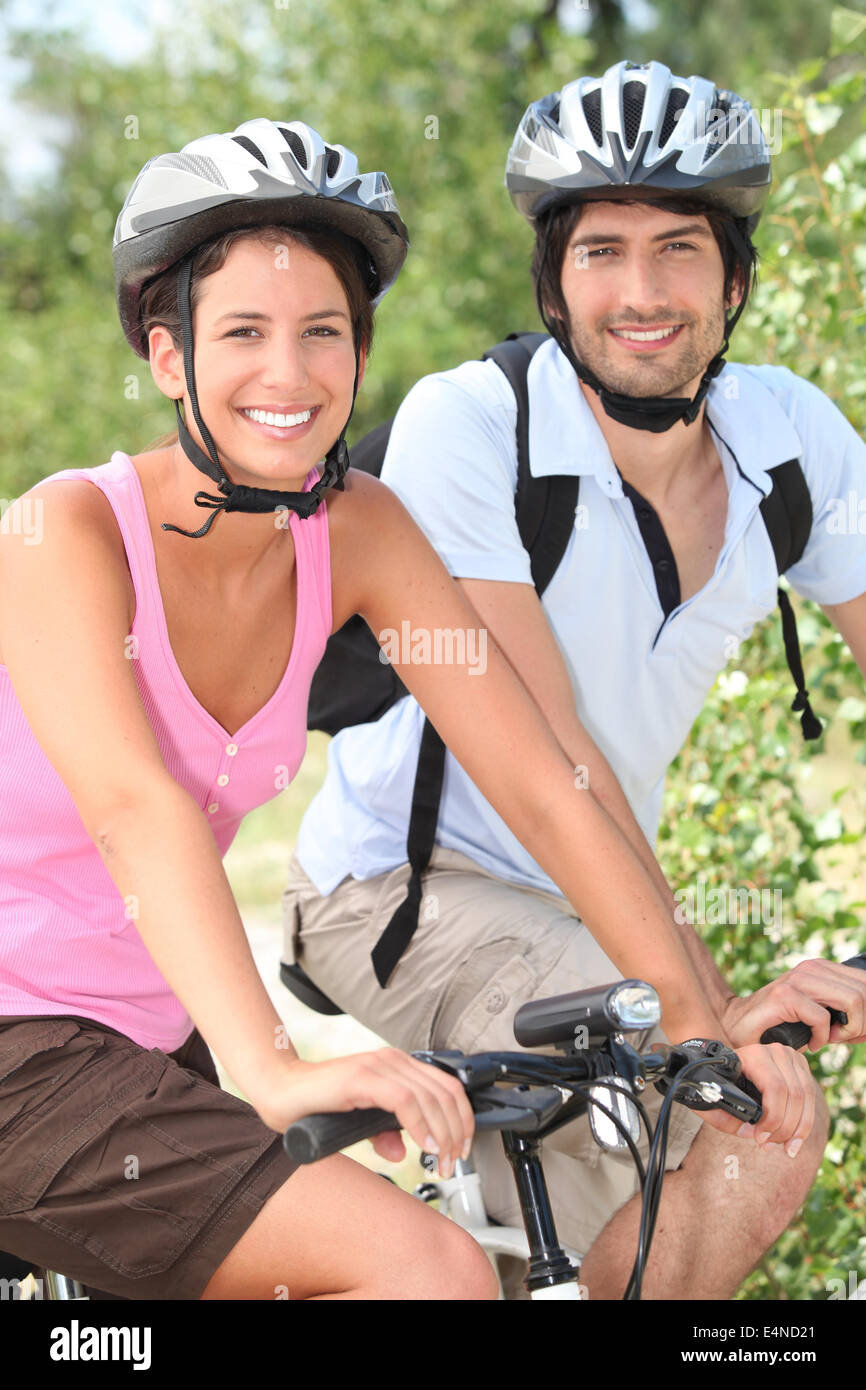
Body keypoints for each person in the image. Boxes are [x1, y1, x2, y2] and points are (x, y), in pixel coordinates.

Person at [0, 113, 805, 1302]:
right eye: (243, 334)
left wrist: (701, 1016)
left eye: (323, 332)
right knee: (423, 1272)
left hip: (142, 1044)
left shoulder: (357, 530)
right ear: (167, 358)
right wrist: (271, 1066)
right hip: (25, 1045)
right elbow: (132, 805)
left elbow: (541, 779)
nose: (290, 373)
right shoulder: (63, 533)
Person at [282, 62, 866, 1300]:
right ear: (552, 280)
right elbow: (555, 769)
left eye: (678, 249)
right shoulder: (471, 427)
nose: (641, 294)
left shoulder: (790, 441)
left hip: (594, 901)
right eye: (601, 250)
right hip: (399, 887)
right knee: (698, 1099)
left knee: (743, 1123)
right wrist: (702, 1005)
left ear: (736, 278)